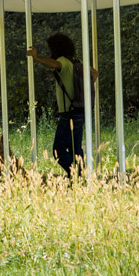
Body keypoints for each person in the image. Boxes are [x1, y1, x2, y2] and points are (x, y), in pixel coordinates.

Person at [27, 32, 96, 175]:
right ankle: (81, 175)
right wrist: (84, 88)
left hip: (69, 112)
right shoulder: (77, 62)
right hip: (81, 110)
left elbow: (55, 64)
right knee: (75, 147)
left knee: (58, 149)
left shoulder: (63, 61)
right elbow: (95, 73)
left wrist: (36, 57)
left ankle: (75, 174)